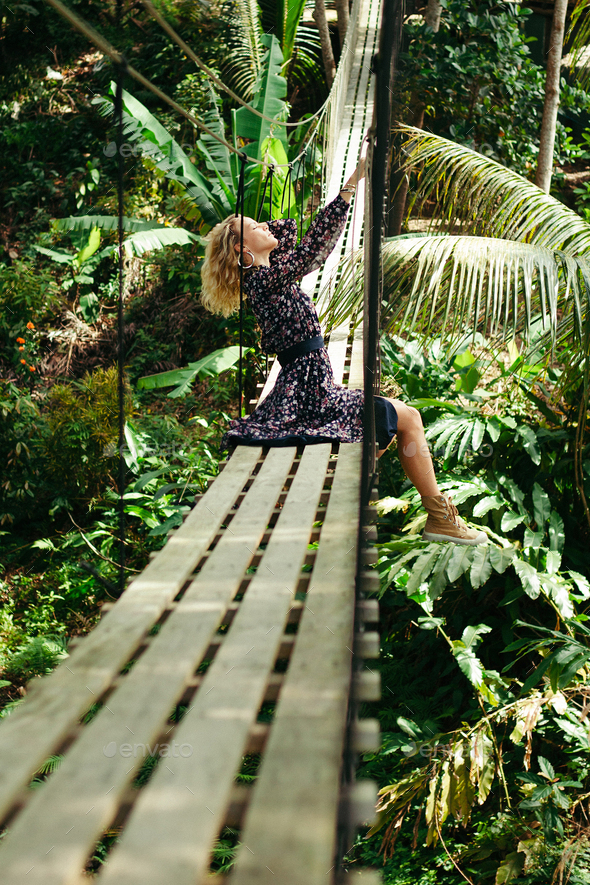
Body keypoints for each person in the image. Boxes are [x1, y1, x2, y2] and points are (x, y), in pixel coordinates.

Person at [200, 158, 486, 546]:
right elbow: (314, 250)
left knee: (401, 419)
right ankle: (437, 518)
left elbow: (290, 234)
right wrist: (353, 181)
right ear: (240, 249)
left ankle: (431, 515)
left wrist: (259, 233)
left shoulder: (270, 272)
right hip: (308, 393)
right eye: (255, 226)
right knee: (405, 418)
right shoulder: (264, 279)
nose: (267, 226)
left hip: (313, 386)